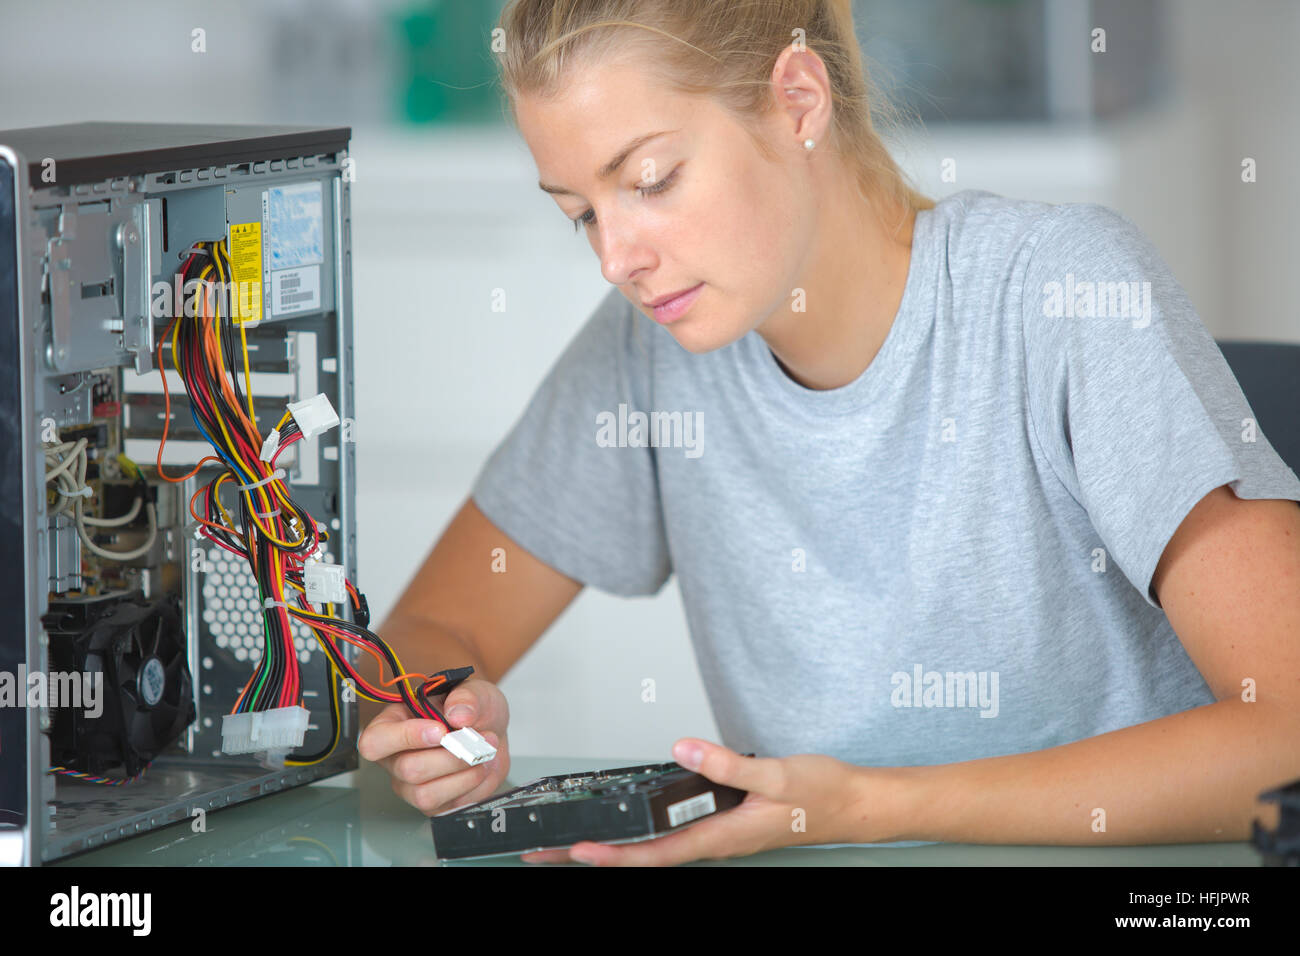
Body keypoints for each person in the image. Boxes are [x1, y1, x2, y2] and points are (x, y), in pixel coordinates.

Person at [358, 0, 1300, 865]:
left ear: (799, 100)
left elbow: (1286, 728)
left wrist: (871, 805)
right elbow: (429, 633)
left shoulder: (1058, 291)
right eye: (580, 217)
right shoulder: (646, 358)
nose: (617, 259)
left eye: (651, 180)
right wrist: (438, 715)